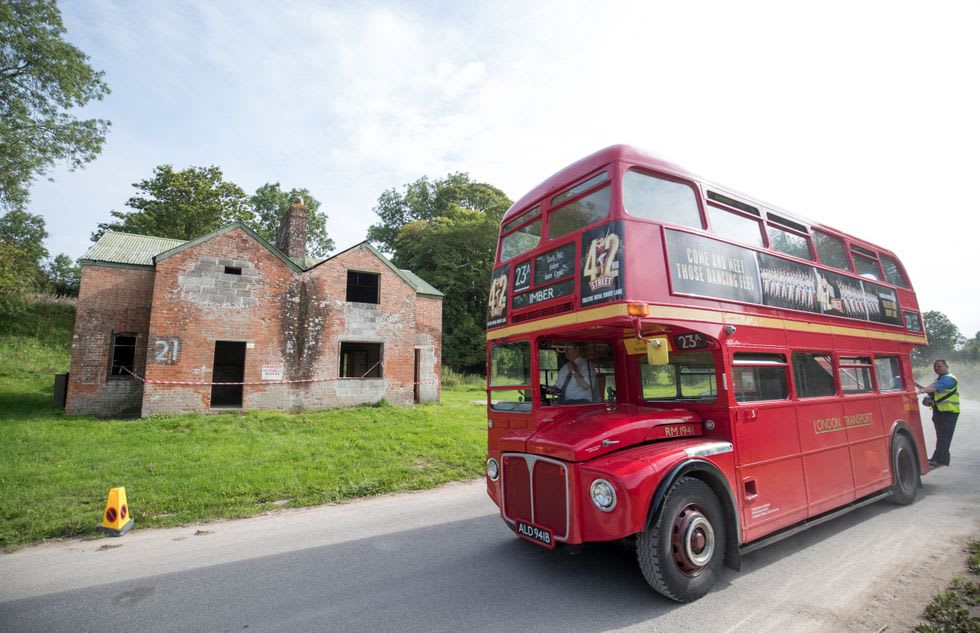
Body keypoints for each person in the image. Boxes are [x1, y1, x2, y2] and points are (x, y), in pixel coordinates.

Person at [915, 359, 960, 467]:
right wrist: (915, 384)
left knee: (944, 437)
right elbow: (928, 388)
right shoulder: (940, 379)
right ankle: (943, 459)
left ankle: (937, 459)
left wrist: (918, 392)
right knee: (942, 437)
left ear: (946, 366)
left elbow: (932, 388)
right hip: (941, 411)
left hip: (948, 412)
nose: (936, 368)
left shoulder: (949, 379)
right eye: (935, 366)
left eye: (939, 366)